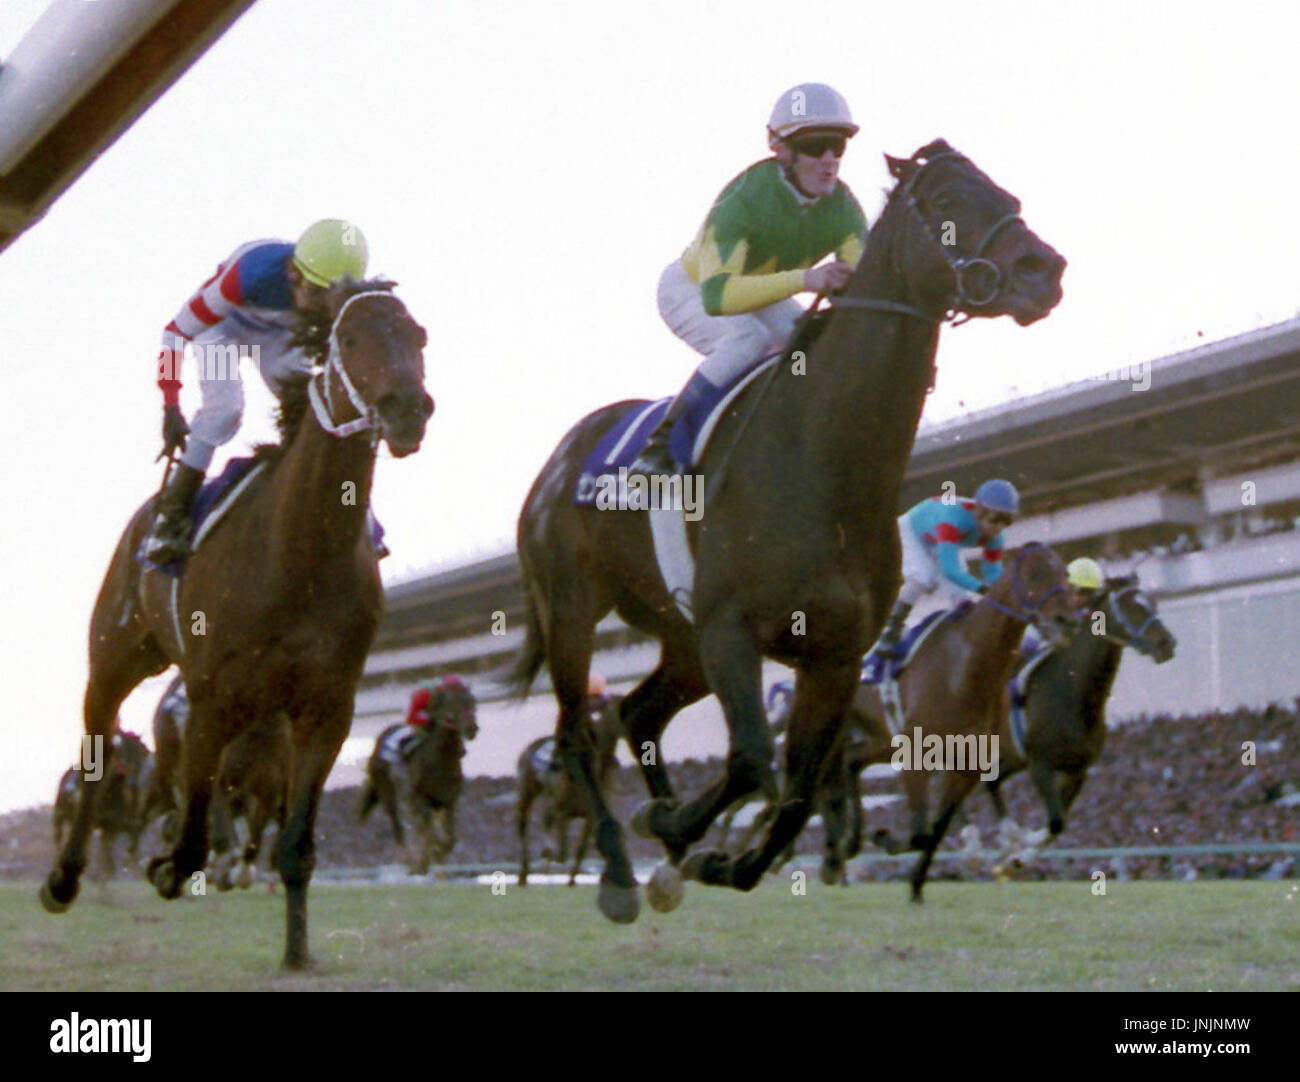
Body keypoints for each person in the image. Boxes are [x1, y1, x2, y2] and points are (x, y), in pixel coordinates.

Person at [633, 83, 869, 475]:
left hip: (763, 287)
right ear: (782, 150)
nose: (829, 160)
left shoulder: (844, 209)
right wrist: (807, 279)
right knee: (749, 339)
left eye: (838, 146)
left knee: (809, 342)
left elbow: (865, 289)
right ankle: (660, 446)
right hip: (692, 288)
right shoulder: (740, 204)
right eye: (816, 146)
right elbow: (719, 298)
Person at [142, 219, 369, 563]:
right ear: (293, 273)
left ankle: (354, 509)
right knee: (224, 410)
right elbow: (175, 333)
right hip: (221, 325)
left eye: (331, 298)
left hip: (274, 335)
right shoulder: (249, 276)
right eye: (316, 294)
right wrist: (170, 405)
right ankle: (170, 516)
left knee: (309, 406)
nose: (322, 307)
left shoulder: (328, 293)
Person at [870, 479, 1021, 658]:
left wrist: (1001, 595)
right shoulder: (953, 519)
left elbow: (993, 573)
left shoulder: (997, 538)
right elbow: (949, 570)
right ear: (979, 512)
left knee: (962, 599)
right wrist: (982, 589)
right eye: (996, 519)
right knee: (922, 577)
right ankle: (890, 630)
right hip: (910, 532)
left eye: (1007, 521)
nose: (1000, 527)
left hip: (937, 539)